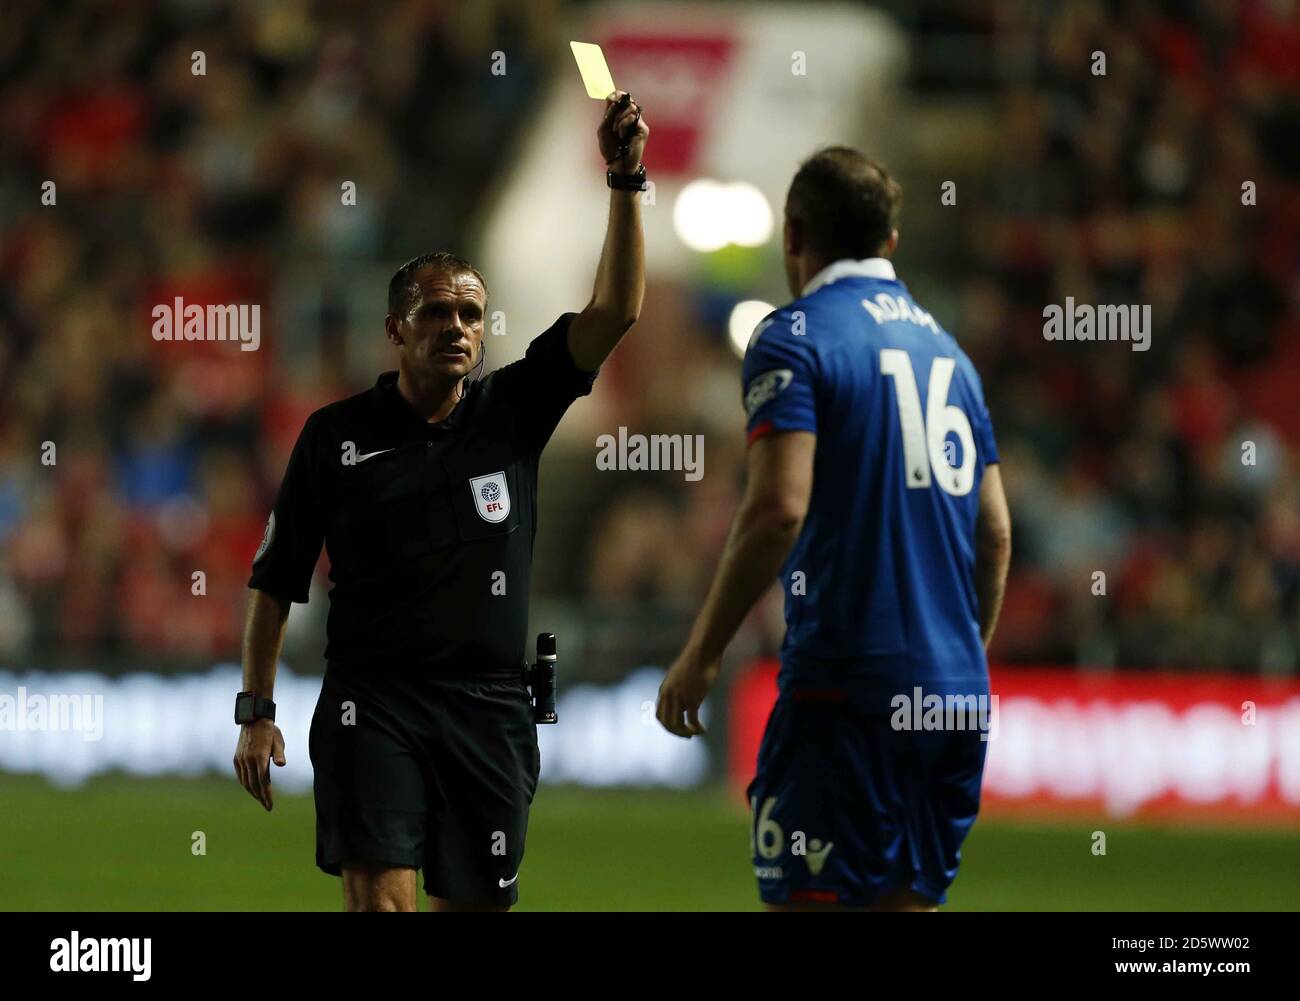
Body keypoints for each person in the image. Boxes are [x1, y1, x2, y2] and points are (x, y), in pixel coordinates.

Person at [233, 92, 649, 912]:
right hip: (371, 701)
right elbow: (275, 579)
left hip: (489, 710)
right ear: (395, 328)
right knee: (381, 903)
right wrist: (256, 709)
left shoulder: (515, 410)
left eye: (471, 313)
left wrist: (626, 179)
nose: (457, 326)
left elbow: (616, 311)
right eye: (435, 312)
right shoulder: (335, 436)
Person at [656, 146, 1012, 911]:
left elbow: (779, 507)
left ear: (793, 234)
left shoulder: (793, 337)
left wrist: (703, 650)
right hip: (953, 695)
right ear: (890, 240)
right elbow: (996, 534)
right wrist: (958, 663)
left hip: (846, 688)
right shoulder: (951, 355)